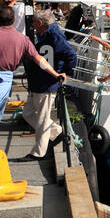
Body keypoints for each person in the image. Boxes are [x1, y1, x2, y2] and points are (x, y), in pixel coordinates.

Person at [0, 7, 64, 153]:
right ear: (14, 19)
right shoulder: (22, 39)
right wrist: (55, 74)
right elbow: (39, 59)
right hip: (4, 83)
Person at [23, 12, 77, 161]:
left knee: (41, 118)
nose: (32, 24)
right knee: (28, 113)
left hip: (46, 82)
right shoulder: (44, 35)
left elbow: (71, 55)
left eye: (33, 22)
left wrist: (64, 72)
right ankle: (57, 132)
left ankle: (39, 152)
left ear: (40, 23)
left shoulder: (54, 36)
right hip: (38, 81)